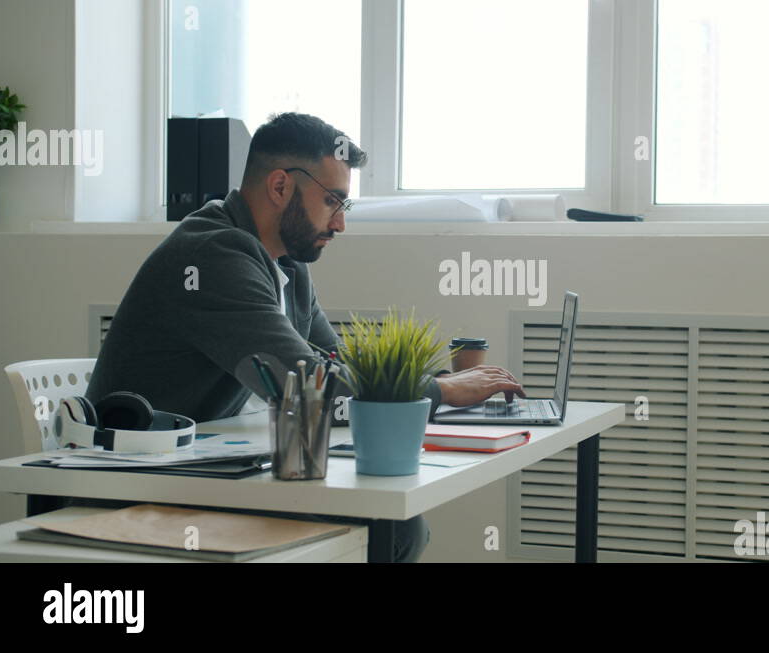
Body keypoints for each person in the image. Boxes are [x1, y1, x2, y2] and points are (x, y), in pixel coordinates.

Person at [79, 112, 526, 562]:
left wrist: (432, 383)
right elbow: (307, 386)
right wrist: (440, 391)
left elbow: (338, 363)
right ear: (280, 187)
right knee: (392, 529)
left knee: (395, 524)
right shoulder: (213, 255)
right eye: (333, 201)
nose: (340, 224)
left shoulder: (287, 264)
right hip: (138, 483)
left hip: (199, 467)